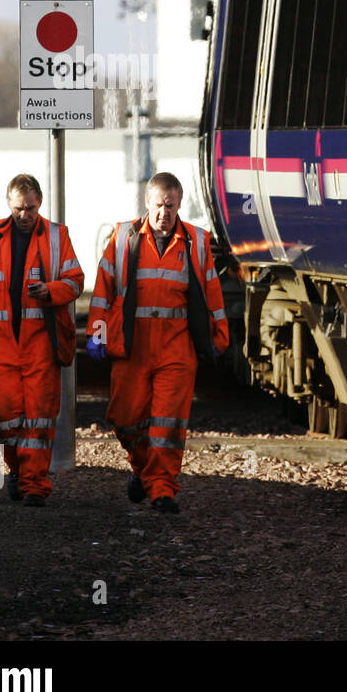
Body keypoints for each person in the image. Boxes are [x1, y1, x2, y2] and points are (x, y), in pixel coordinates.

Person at [86, 172, 228, 513]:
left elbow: (212, 295)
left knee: (168, 422)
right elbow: (103, 292)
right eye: (158, 205)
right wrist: (97, 334)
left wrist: (219, 337)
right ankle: (145, 471)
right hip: (132, 344)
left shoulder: (196, 241)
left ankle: (163, 490)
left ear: (179, 204)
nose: (164, 212)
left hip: (176, 347)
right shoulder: (123, 238)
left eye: (171, 205)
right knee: (124, 417)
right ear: (146, 203)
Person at [0, 174, 84, 506]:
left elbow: (75, 281)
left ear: (39, 202)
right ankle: (17, 469)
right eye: (18, 209)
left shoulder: (57, 236)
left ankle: (34, 485)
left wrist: (51, 291)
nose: (24, 215)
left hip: (41, 341)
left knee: (39, 418)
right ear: (8, 205)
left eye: (29, 208)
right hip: (1, 343)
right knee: (1, 414)